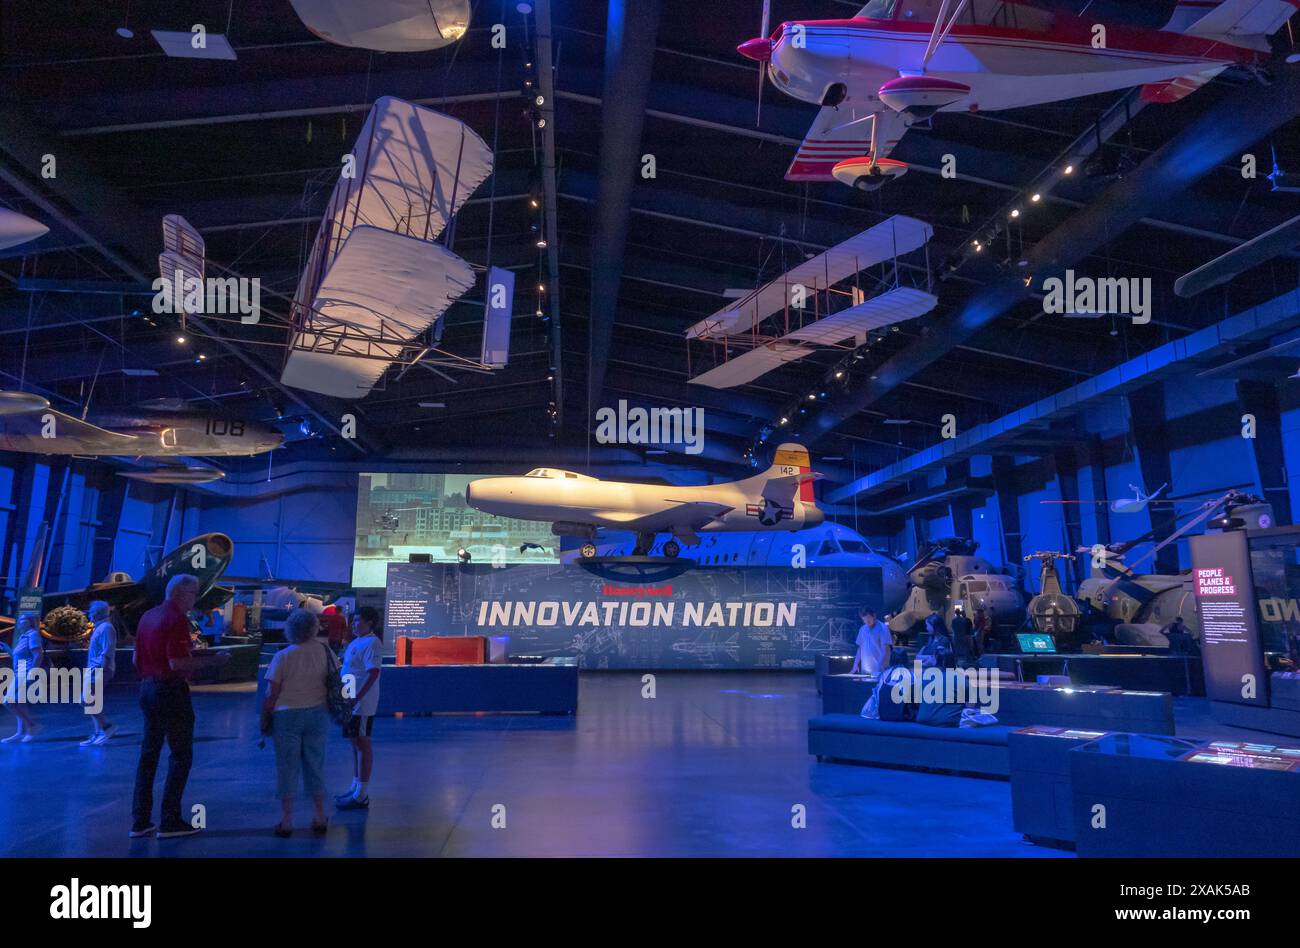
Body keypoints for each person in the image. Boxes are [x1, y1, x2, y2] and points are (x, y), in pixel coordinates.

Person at [130, 574, 230, 839]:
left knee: (148, 756)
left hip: (147, 688)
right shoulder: (176, 619)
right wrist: (214, 662)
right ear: (181, 593)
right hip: (170, 691)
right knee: (180, 755)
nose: (195, 598)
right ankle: (170, 819)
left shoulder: (148, 616)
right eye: (194, 593)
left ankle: (140, 821)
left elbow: (137, 656)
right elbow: (176, 663)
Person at [264, 608, 336, 837]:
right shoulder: (325, 652)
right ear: (314, 627)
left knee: (287, 767)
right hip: (318, 714)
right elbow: (336, 679)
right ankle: (320, 815)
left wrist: (265, 718)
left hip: (287, 716)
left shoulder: (283, 656)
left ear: (290, 629)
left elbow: (271, 693)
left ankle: (286, 820)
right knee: (315, 764)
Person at [336, 606, 384, 810]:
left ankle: (362, 794)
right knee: (354, 743)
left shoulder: (372, 643)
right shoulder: (356, 642)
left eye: (359, 621)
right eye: (354, 620)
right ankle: (356, 786)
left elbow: (372, 673)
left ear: (370, 623)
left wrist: (357, 698)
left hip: (360, 705)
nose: (355, 624)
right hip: (350, 701)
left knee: (362, 744)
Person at [2, 613, 44, 743]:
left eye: (22, 620)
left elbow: (38, 655)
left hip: (25, 673)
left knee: (8, 701)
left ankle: (32, 725)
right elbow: (17, 657)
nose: (19, 622)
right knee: (19, 703)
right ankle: (21, 732)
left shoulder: (32, 635)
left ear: (30, 621)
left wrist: (32, 674)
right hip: (19, 673)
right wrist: (7, 648)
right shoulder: (23, 637)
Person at [82, 600, 117, 746]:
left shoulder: (106, 628)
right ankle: (98, 732)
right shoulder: (100, 627)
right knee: (92, 701)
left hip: (99, 669)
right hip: (93, 669)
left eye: (91, 612)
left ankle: (107, 727)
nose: (89, 614)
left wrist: (101, 671)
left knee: (86, 700)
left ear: (97, 613)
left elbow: (106, 651)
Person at [850, 607, 893, 676]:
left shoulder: (883, 628)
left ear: (874, 615)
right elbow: (860, 648)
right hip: (865, 672)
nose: (867, 621)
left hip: (879, 672)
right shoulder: (862, 629)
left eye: (868, 618)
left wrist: (879, 666)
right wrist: (855, 665)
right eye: (864, 619)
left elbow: (885, 650)